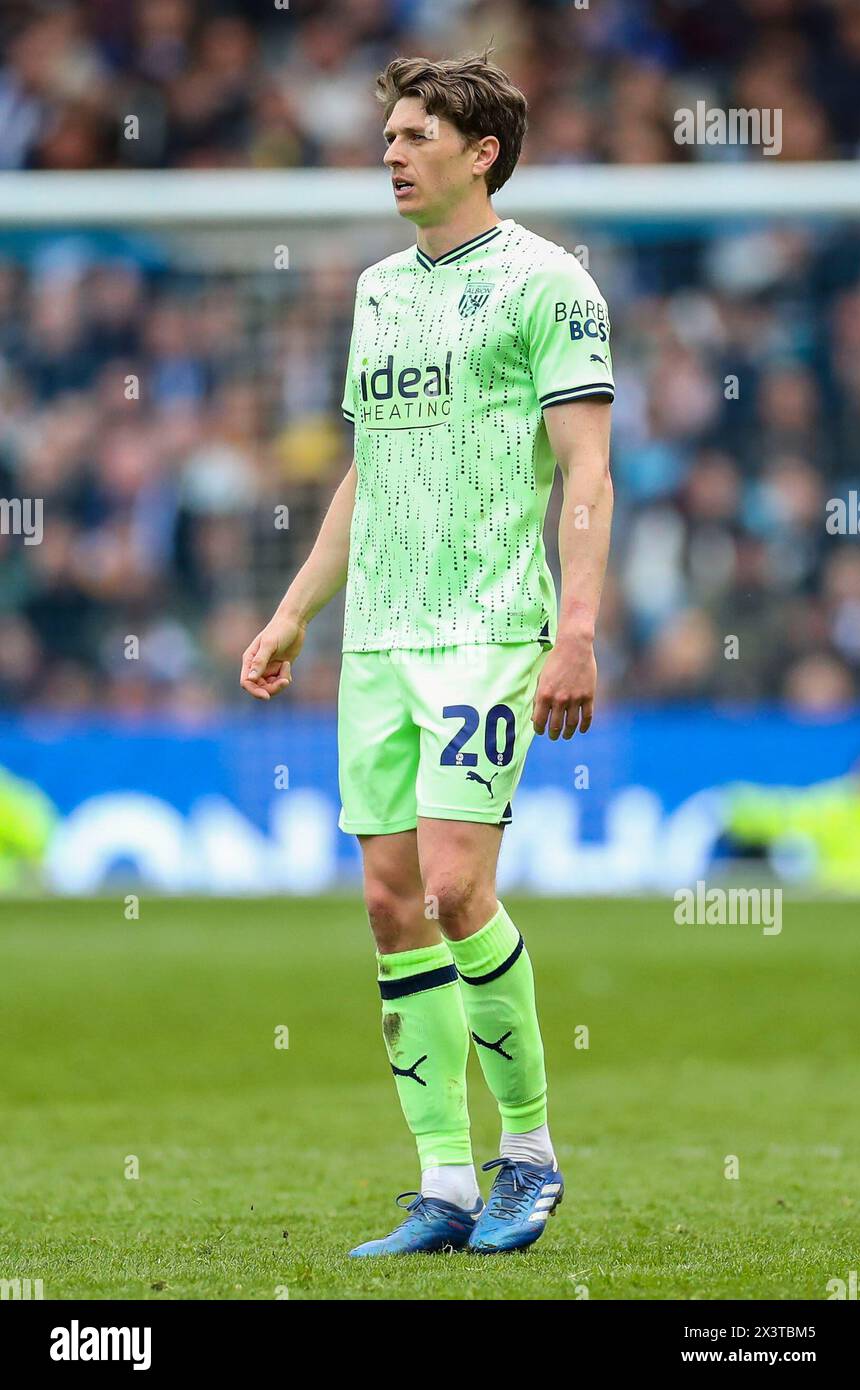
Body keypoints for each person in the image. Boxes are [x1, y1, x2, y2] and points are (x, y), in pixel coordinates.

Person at [240, 51, 614, 1256]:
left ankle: (530, 1157)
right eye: (389, 135)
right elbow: (370, 469)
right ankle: (442, 1184)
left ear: (479, 151)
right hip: (380, 640)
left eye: (414, 135)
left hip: (491, 629)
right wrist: (295, 609)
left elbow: (587, 473)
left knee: (459, 885)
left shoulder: (550, 285)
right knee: (392, 907)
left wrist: (576, 632)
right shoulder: (377, 291)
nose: (391, 153)